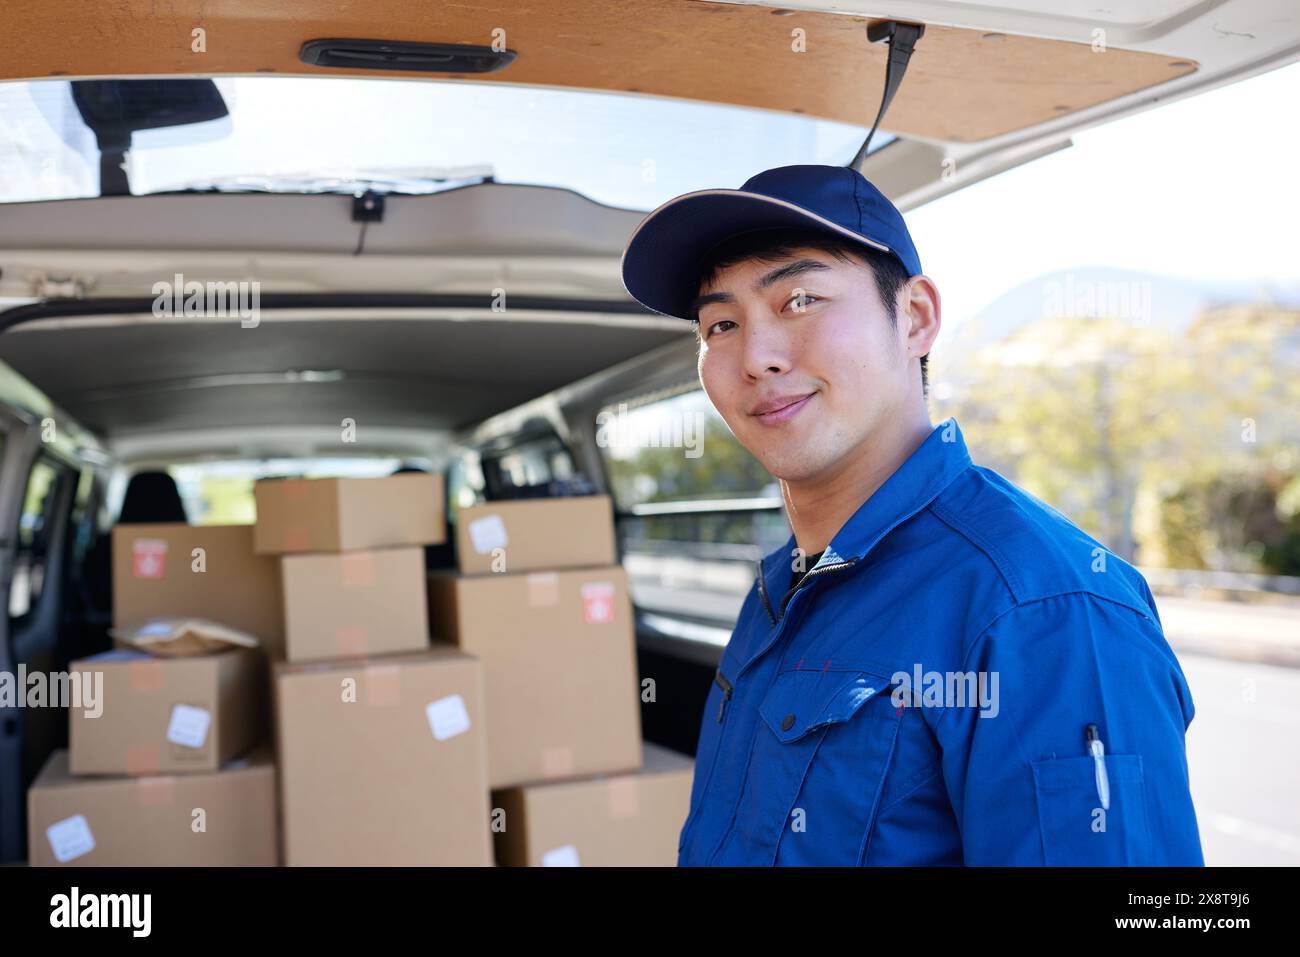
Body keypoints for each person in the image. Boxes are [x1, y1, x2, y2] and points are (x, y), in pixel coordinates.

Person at [620, 164, 1204, 866]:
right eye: (721, 323)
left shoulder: (1043, 609)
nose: (756, 356)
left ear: (916, 318)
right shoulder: (783, 588)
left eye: (800, 299)